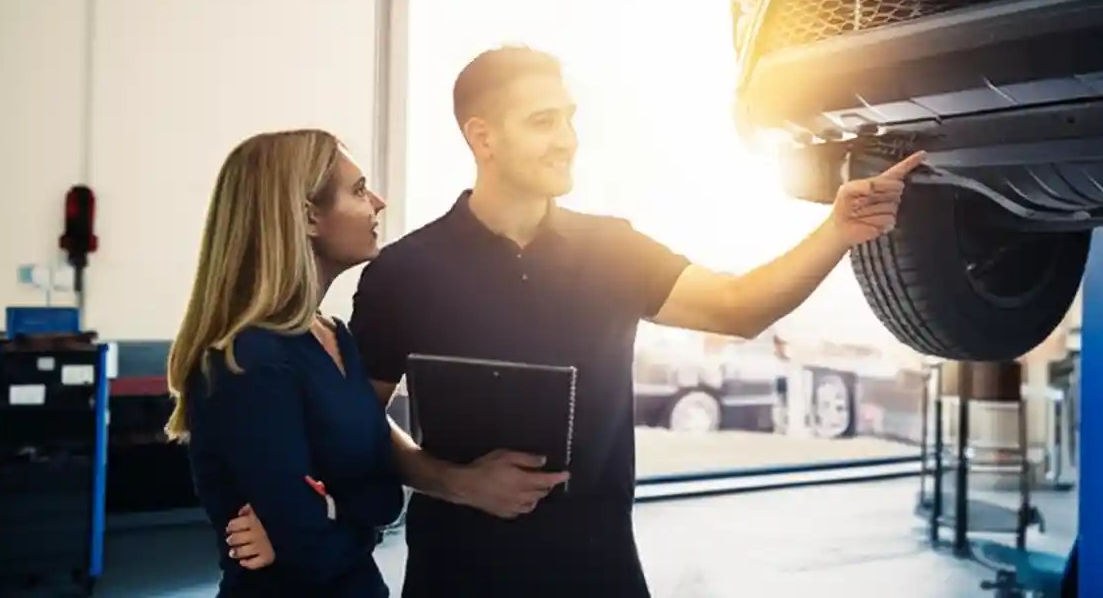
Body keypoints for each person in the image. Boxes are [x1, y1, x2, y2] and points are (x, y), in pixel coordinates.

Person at [340, 45, 927, 596]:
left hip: (599, 570)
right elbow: (359, 426)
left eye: (569, 119)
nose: (567, 140)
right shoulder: (404, 272)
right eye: (543, 121)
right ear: (483, 138)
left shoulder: (612, 249)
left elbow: (739, 307)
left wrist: (837, 231)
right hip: (457, 573)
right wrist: (456, 481)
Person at [165, 129, 405, 598]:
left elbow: (387, 495)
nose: (378, 202)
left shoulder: (337, 337)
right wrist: (354, 518)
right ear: (309, 217)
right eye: (358, 190)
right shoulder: (246, 360)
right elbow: (307, 551)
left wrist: (335, 510)